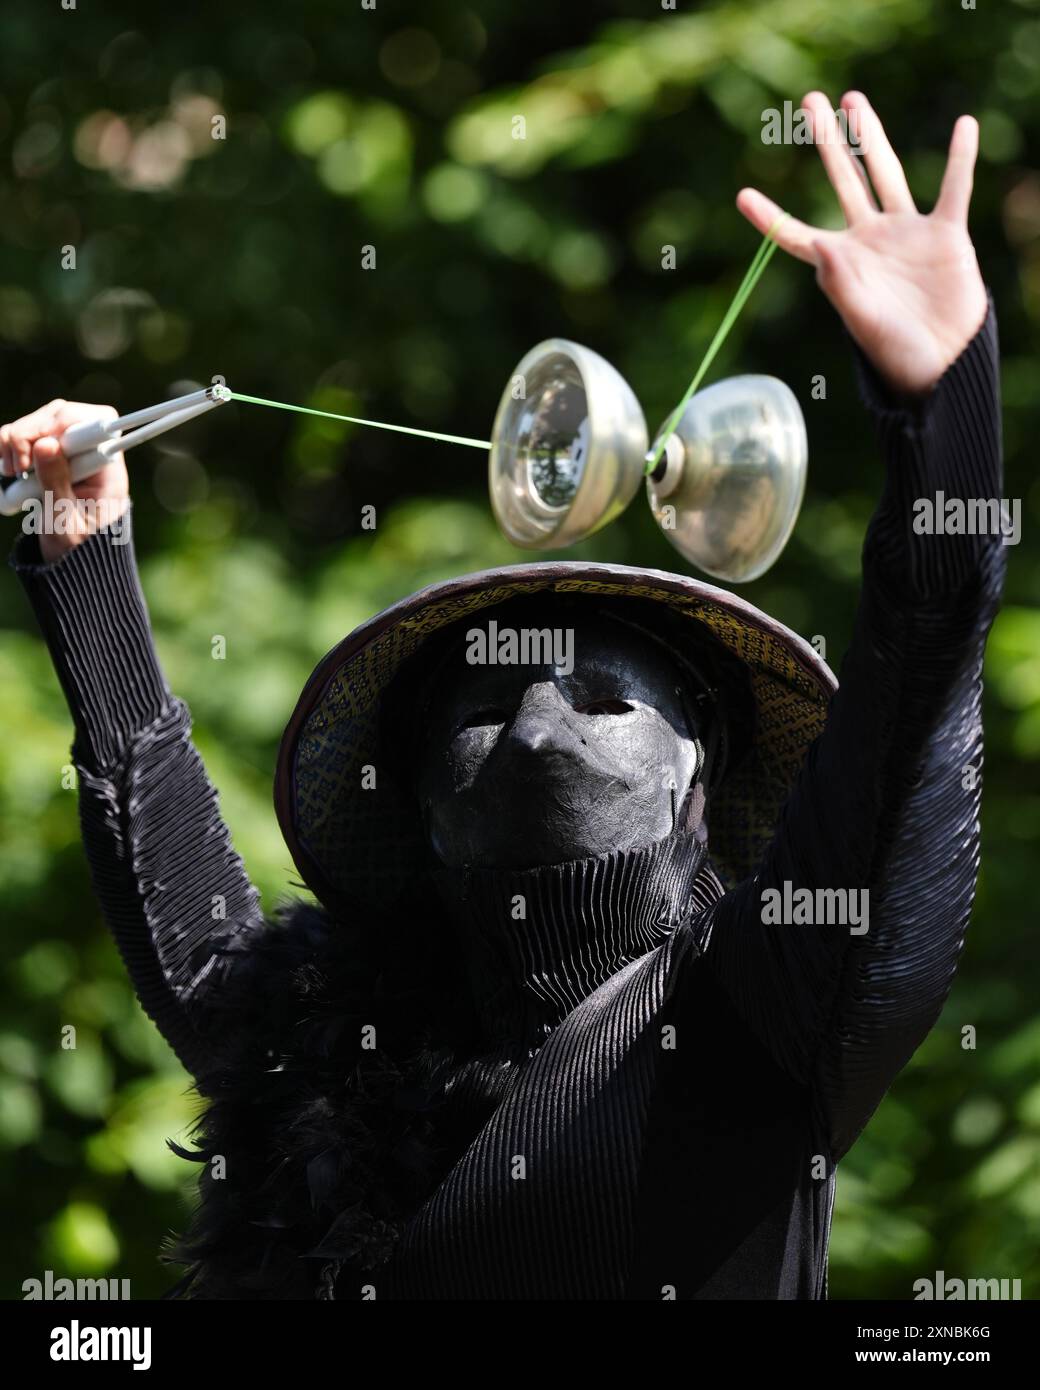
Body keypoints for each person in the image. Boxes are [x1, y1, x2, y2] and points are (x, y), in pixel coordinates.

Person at [5, 92, 1005, 1299]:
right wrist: (83, 554)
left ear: (697, 775)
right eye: (480, 709)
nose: (537, 720)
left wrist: (942, 408)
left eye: (594, 692)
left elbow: (906, 729)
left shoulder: (768, 1012)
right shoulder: (330, 1050)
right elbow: (191, 923)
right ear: (422, 803)